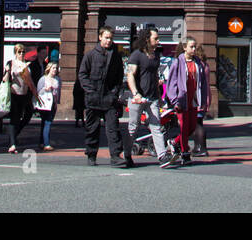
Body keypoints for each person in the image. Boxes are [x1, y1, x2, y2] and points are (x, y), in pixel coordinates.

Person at [78, 26, 132, 167]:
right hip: (93, 98)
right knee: (92, 129)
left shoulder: (115, 56)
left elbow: (119, 77)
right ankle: (91, 154)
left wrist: (114, 93)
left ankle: (115, 156)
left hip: (109, 99)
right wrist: (90, 91)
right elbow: (82, 74)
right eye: (106, 37)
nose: (108, 41)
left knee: (113, 128)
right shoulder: (90, 55)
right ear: (100, 37)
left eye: (110, 38)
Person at [126, 26, 172, 166]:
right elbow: (130, 75)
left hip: (152, 98)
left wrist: (158, 96)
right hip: (137, 98)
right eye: (155, 38)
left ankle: (162, 156)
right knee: (133, 127)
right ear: (147, 39)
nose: (158, 41)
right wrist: (135, 93)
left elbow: (153, 76)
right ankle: (126, 155)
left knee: (156, 126)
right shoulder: (136, 55)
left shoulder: (156, 55)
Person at [163, 36, 210, 166]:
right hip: (181, 100)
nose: (194, 49)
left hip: (194, 99)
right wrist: (174, 100)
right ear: (184, 47)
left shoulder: (198, 63)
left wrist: (204, 100)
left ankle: (174, 142)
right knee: (184, 127)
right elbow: (171, 83)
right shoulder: (177, 62)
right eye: (191, 46)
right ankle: (185, 153)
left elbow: (203, 84)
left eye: (195, 46)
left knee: (192, 127)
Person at [5, 42, 39, 154]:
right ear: (15, 53)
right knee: (14, 118)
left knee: (27, 115)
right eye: (19, 52)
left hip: (25, 95)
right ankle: (12, 144)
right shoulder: (11, 63)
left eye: (23, 52)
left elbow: (31, 81)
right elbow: (5, 79)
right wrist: (7, 71)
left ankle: (13, 136)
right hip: (14, 93)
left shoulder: (27, 64)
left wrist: (35, 92)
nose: (21, 54)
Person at [34, 61, 61, 150]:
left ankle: (41, 142)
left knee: (45, 123)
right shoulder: (43, 79)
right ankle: (46, 144)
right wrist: (45, 89)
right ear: (49, 69)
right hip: (45, 103)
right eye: (53, 68)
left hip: (53, 103)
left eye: (56, 68)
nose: (55, 70)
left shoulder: (58, 79)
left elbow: (58, 92)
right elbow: (38, 92)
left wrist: (57, 102)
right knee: (47, 123)